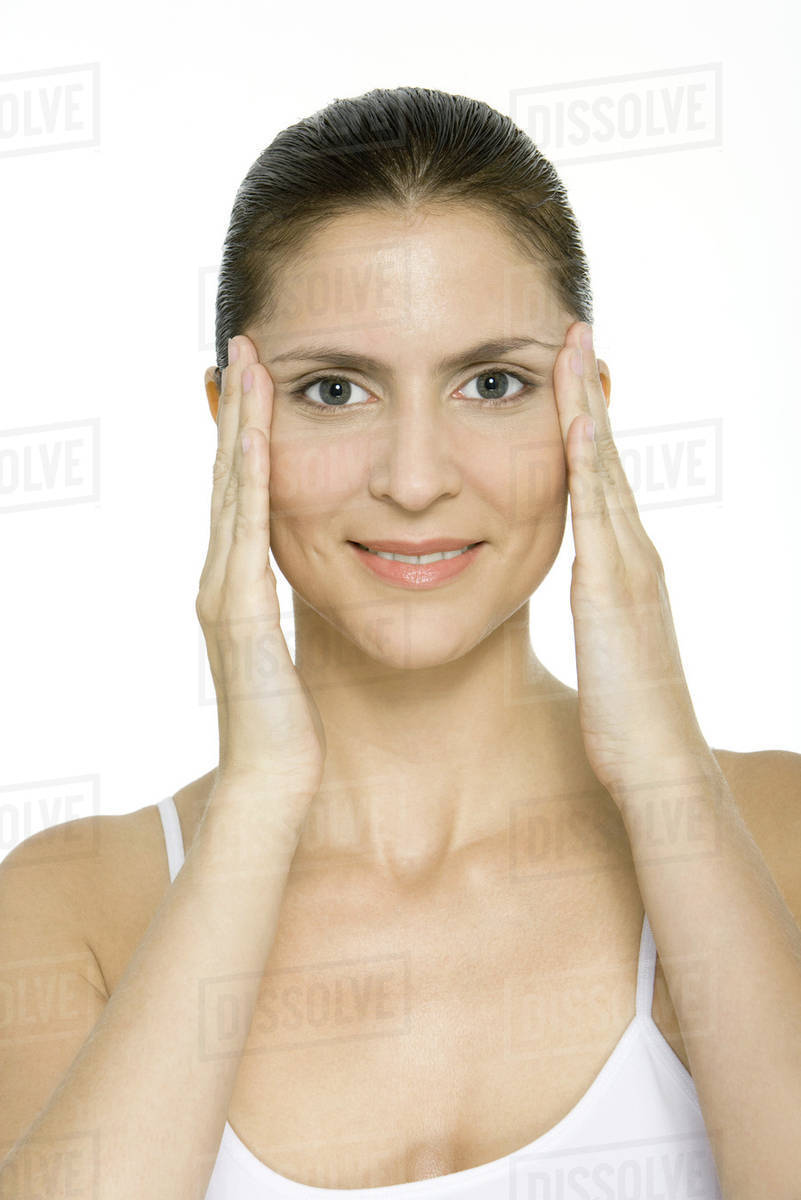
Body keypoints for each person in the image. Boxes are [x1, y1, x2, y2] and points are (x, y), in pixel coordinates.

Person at [1, 85, 752, 1197]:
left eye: (491, 384)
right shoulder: (72, 905)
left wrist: (667, 777)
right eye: (334, 389)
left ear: (585, 409)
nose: (412, 478)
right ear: (232, 420)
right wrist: (258, 799)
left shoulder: (771, 836)